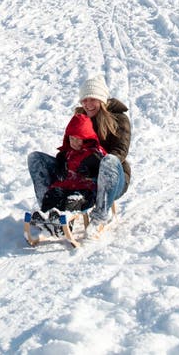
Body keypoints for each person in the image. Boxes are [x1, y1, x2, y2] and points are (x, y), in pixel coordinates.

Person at [27, 75, 131, 239]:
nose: (88, 104)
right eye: (84, 100)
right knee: (35, 159)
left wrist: (95, 164)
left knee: (110, 160)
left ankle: (99, 218)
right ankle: (49, 213)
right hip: (79, 174)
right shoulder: (80, 117)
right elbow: (69, 143)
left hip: (113, 178)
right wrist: (64, 159)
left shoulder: (119, 119)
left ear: (101, 100)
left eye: (92, 100)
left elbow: (121, 151)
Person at [39, 113, 107, 214]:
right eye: (71, 138)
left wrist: (90, 173)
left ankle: (62, 220)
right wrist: (60, 165)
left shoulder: (94, 153)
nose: (74, 142)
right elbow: (61, 158)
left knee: (72, 201)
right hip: (67, 186)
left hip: (86, 190)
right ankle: (45, 214)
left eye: (78, 139)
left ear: (86, 138)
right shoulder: (68, 153)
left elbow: (105, 171)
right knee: (52, 194)